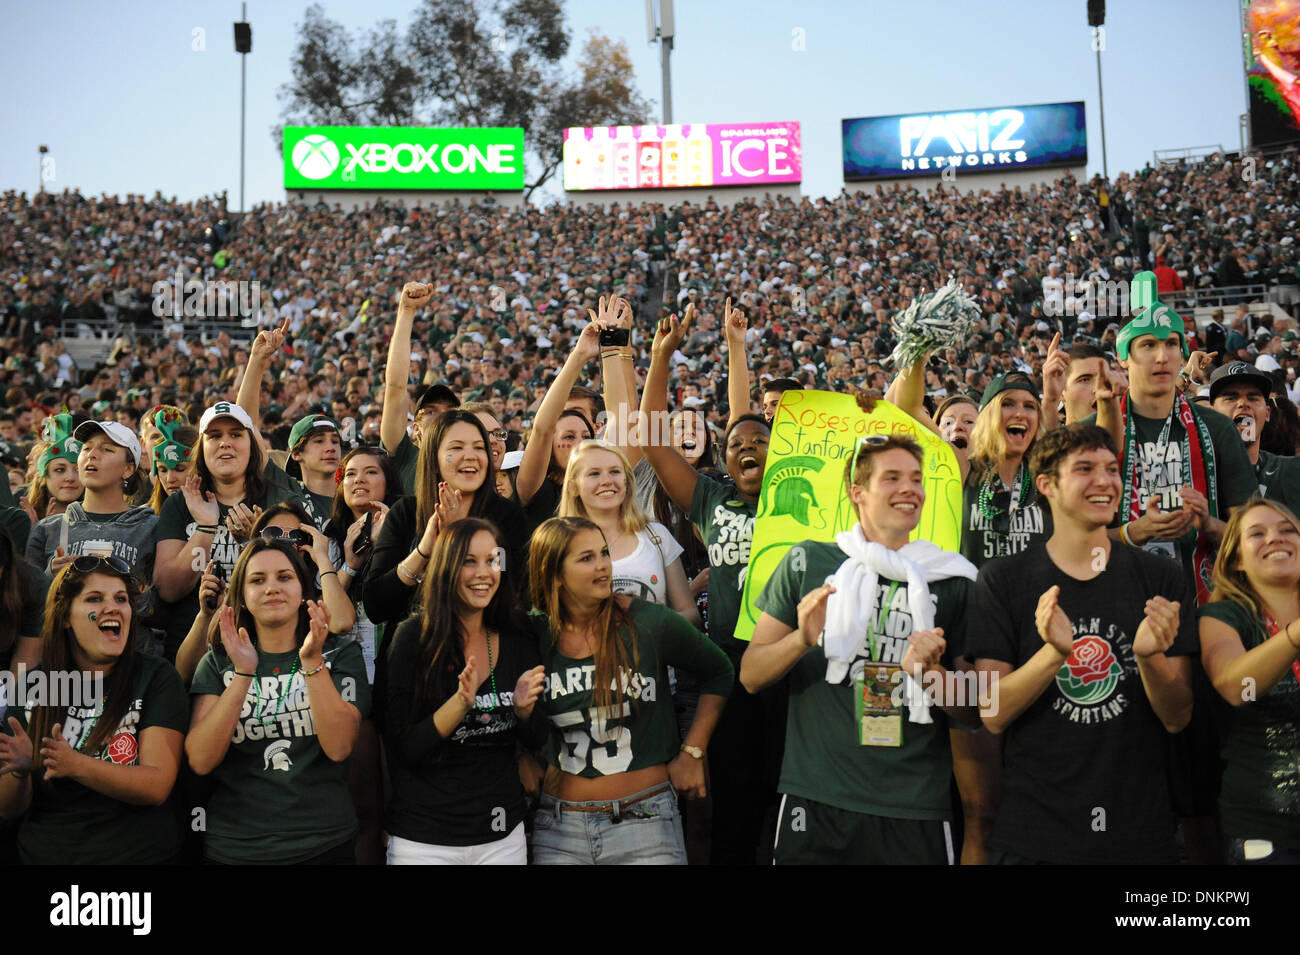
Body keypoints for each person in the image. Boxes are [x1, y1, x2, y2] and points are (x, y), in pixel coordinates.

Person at [743, 434, 979, 864]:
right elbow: (750, 676)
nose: (910, 488)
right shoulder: (808, 561)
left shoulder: (955, 580)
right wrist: (800, 639)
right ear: (857, 492)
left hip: (914, 806)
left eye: (915, 479)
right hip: (815, 799)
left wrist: (932, 676)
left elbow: (981, 706)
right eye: (892, 478)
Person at [971, 424, 1197, 864]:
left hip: (1138, 834)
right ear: (1047, 485)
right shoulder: (1003, 579)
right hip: (1035, 836)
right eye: (1085, 469)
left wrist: (1148, 657)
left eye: (1112, 470)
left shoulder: (1160, 577)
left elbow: (1178, 717)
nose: (1105, 481)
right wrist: (1054, 653)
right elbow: (993, 714)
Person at [639, 307, 781, 865]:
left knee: (786, 803)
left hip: (792, 670)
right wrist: (660, 357)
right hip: (727, 672)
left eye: (760, 440)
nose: (748, 446)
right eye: (737, 442)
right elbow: (652, 441)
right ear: (724, 458)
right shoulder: (710, 500)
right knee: (733, 811)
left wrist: (737, 348)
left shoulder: (804, 502)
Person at [526, 517, 732, 865]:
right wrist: (519, 757)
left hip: (646, 820)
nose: (603, 564)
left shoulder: (650, 622)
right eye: (586, 558)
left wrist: (693, 750)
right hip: (558, 827)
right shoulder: (532, 633)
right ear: (554, 573)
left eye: (604, 553)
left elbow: (720, 672)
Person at [186, 538, 370, 864]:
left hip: (323, 843)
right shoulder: (217, 662)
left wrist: (312, 663)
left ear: (302, 590)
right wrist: (243, 672)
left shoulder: (340, 653)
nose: (272, 588)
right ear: (241, 594)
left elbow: (340, 746)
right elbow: (200, 759)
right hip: (236, 848)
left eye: (284, 577)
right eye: (257, 580)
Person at [0, 557, 188, 864]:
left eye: (121, 599)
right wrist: (21, 771)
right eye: (95, 598)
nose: (112, 607)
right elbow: (7, 808)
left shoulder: (156, 677)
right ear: (65, 618)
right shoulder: (34, 684)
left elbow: (156, 785)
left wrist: (75, 765)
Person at [384, 519, 546, 864]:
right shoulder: (413, 638)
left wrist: (524, 712)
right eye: (469, 561)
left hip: (501, 836)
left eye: (491, 560)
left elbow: (538, 739)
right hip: (425, 839)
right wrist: (459, 704)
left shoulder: (517, 635)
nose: (483, 573)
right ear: (446, 566)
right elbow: (404, 747)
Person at [152, 401, 311, 659]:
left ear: (252, 445)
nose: (225, 443)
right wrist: (205, 528)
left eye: (235, 434)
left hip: (266, 649)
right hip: (192, 650)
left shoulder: (282, 500)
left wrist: (254, 544)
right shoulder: (181, 503)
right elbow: (168, 590)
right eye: (214, 436)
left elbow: (301, 581)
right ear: (201, 449)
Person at [1198, 499, 1300, 863]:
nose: (1276, 538)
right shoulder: (1224, 617)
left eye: (1288, 530)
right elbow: (1235, 686)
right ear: (1236, 560)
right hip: (1269, 837)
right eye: (1257, 533)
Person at [558, 439, 700, 625]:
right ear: (573, 486)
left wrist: (647, 626)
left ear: (627, 482)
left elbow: (690, 613)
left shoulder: (656, 536)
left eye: (615, 472)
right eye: (594, 474)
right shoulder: (559, 543)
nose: (607, 481)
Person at [26, 421, 157, 580]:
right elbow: (27, 598)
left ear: (128, 469)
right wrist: (50, 576)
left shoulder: (150, 528)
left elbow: (161, 595)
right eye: (86, 448)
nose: (92, 454)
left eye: (107, 449)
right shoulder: (47, 530)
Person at [1209, 361, 1300, 515]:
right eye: (1231, 397)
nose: (1243, 403)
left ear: (1267, 413)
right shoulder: (1195, 475)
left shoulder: (1290, 471)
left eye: (1253, 398)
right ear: (1211, 414)